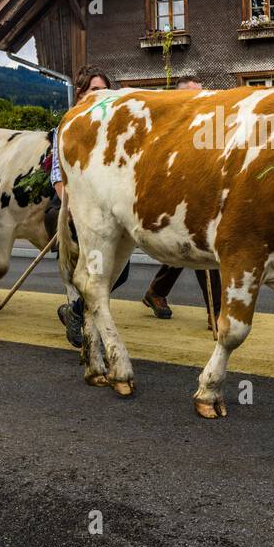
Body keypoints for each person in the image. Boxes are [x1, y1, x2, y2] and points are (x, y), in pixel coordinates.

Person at [53, 65, 128, 348]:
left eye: (106, 91)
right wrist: (71, 206)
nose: (102, 96)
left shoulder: (112, 128)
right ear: (82, 94)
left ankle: (75, 311)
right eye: (96, 90)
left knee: (119, 272)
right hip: (72, 208)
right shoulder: (68, 126)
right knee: (95, 270)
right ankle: (86, 318)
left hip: (107, 211)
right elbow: (57, 174)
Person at [140, 75, 223, 331]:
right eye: (192, 96)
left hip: (202, 195)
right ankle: (217, 312)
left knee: (183, 248)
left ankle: (156, 291)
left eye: (202, 94)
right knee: (203, 249)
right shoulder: (166, 127)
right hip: (172, 199)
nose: (199, 100)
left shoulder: (209, 125)